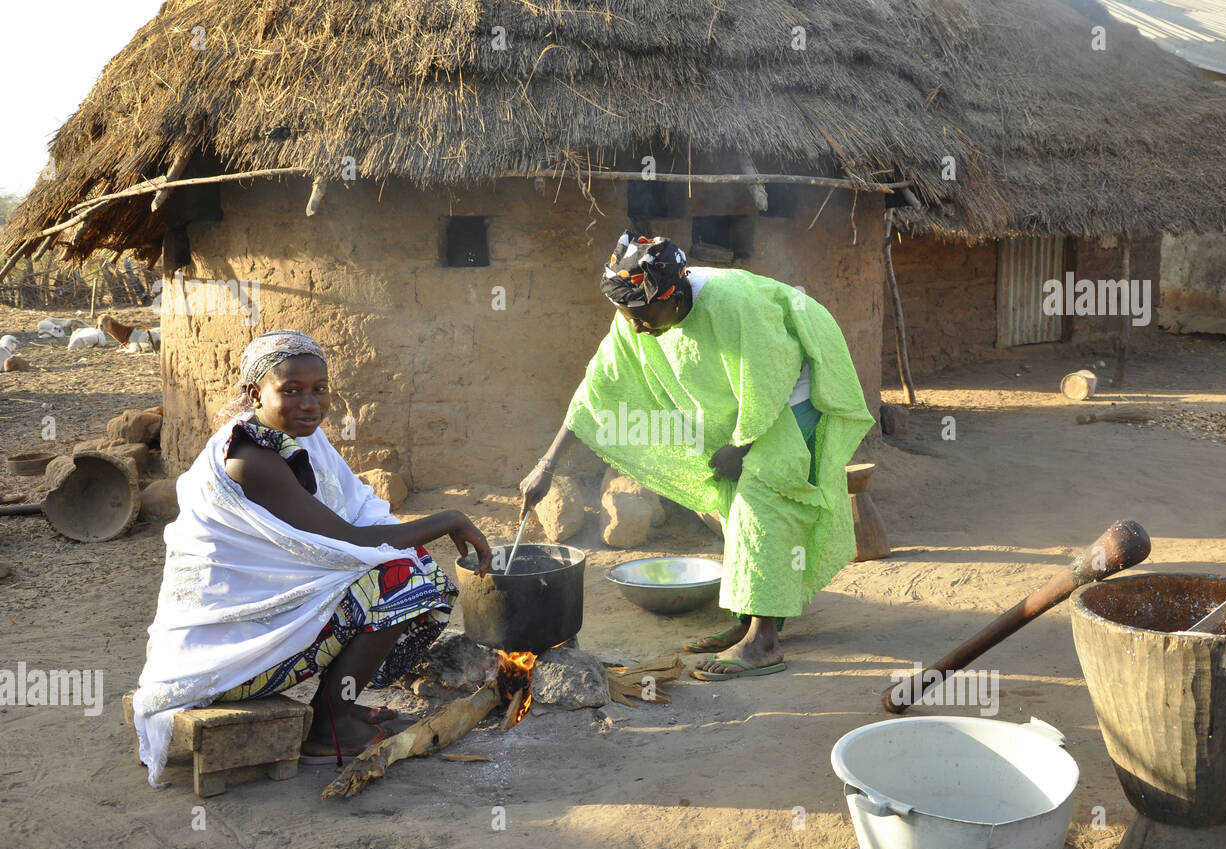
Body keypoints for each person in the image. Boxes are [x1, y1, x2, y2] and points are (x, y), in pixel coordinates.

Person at [132, 329, 492, 786]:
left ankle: (337, 703)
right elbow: (348, 538)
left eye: (319, 389)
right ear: (253, 393)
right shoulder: (251, 461)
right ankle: (328, 730)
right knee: (400, 578)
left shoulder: (296, 438)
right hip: (230, 661)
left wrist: (424, 532)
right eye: (292, 391)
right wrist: (448, 520)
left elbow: (353, 506)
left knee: (407, 563)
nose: (310, 403)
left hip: (264, 625)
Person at [520, 231, 874, 680]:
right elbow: (597, 386)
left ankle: (764, 643)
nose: (636, 328)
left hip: (790, 394)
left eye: (643, 317)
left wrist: (742, 446)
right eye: (628, 317)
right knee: (733, 504)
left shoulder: (734, 303)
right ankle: (750, 622)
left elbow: (773, 371)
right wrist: (546, 465)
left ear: (674, 296)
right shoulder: (639, 301)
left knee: (763, 500)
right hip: (751, 400)